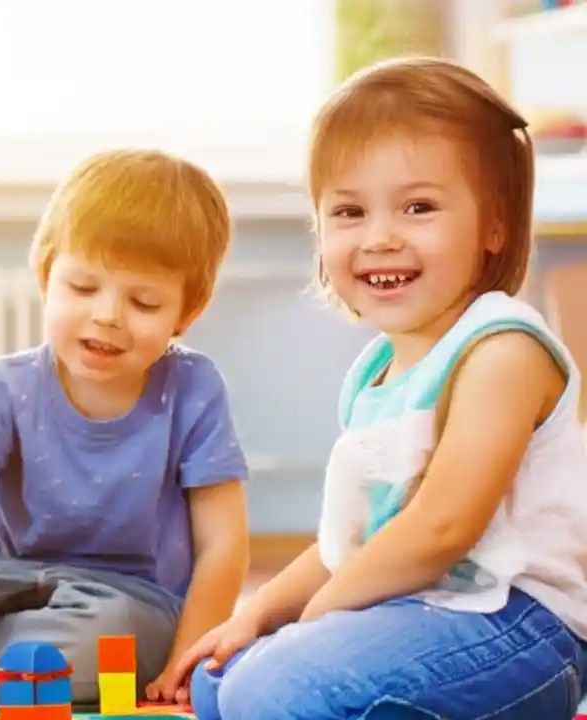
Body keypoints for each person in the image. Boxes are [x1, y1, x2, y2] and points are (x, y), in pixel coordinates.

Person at [165, 57, 587, 720]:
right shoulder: (375, 376)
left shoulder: (504, 347)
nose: (380, 237)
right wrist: (263, 613)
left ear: (494, 228)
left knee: (271, 688)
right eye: (349, 212)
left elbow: (441, 527)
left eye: (418, 207)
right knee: (222, 679)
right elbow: (353, 544)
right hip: (423, 614)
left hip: (519, 631)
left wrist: (315, 621)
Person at [0, 148, 252, 708]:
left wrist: (187, 661)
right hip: (10, 582)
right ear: (46, 275)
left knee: (107, 629)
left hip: (128, 602)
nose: (107, 315)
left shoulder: (194, 388)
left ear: (185, 312)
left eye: (143, 301)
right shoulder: (6, 387)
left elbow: (223, 547)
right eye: (83, 288)